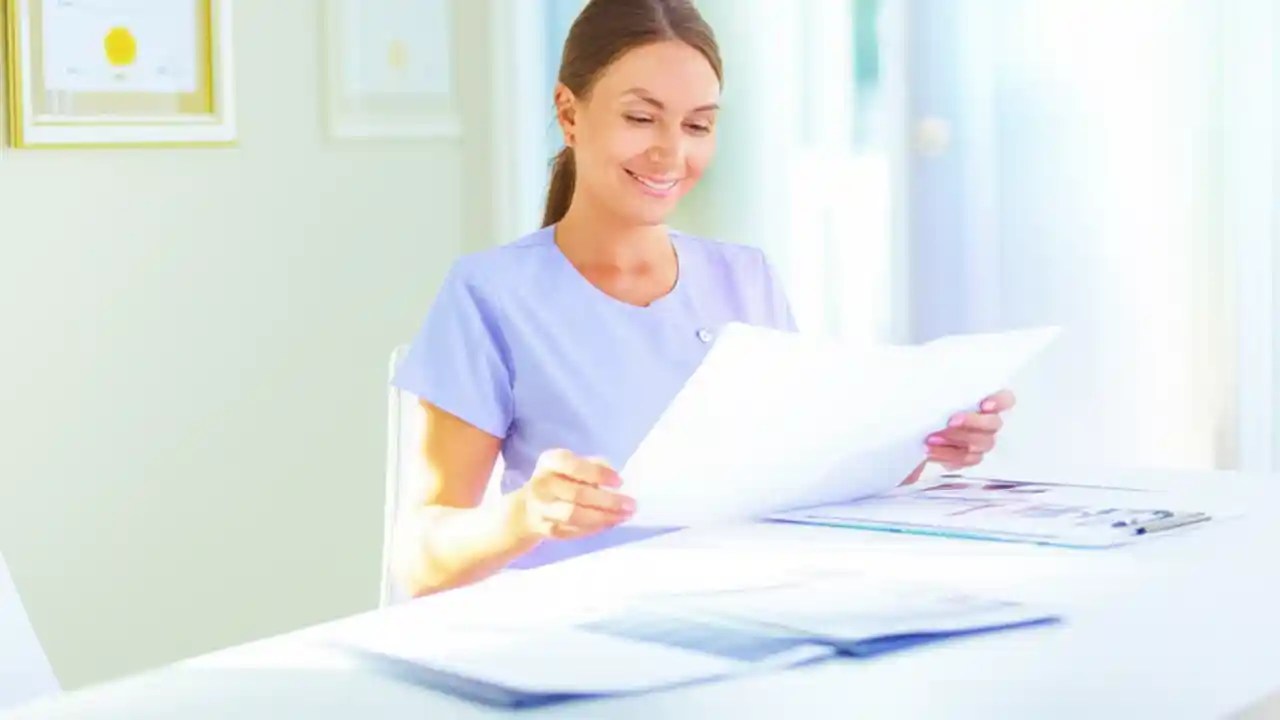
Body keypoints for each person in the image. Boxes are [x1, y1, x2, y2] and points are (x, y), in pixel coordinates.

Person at [390, 0, 1015, 597]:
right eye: (641, 117)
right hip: (575, 640)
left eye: (698, 125)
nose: (672, 152)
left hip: (742, 611)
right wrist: (524, 516)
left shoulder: (745, 279)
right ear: (570, 113)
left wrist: (923, 444)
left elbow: (806, 474)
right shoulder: (491, 296)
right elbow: (421, 559)